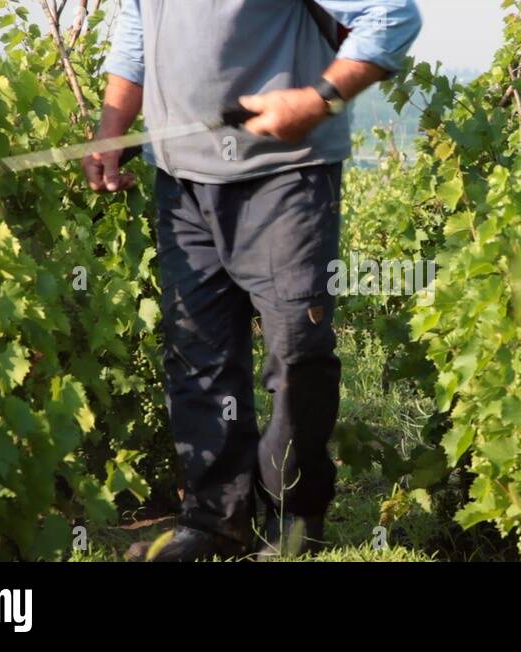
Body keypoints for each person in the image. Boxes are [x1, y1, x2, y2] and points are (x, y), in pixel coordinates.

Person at [82, 0, 422, 561]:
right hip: (182, 179)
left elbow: (391, 16)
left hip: (286, 175)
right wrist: (112, 128)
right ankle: (215, 521)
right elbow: (137, 28)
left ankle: (295, 517)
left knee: (295, 350)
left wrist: (319, 100)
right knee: (198, 352)